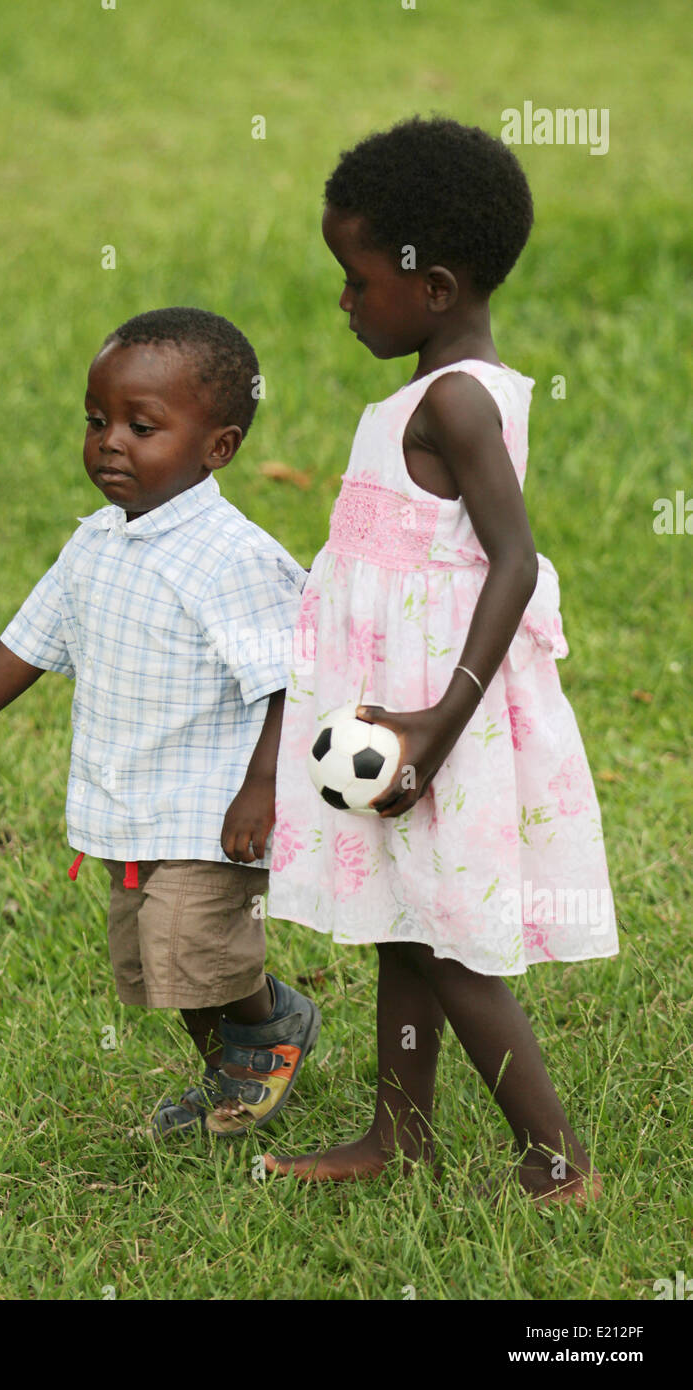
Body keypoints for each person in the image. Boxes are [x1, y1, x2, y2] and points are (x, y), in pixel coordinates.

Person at [241, 116, 618, 1202]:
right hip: (399, 710)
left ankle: (555, 1163)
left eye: (356, 282)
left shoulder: (454, 400)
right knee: (406, 929)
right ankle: (393, 1135)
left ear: (434, 285)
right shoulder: (428, 392)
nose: (344, 303)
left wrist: (430, 727)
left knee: (454, 944)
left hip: (433, 716)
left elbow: (514, 560)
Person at [0, 307, 321, 1139]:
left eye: (141, 426)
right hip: (130, 806)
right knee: (159, 967)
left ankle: (266, 1031)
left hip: (210, 810)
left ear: (218, 447)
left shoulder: (232, 559)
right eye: (97, 422)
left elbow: (290, 681)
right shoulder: (93, 542)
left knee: (191, 943)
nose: (110, 442)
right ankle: (241, 1048)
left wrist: (263, 789)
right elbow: (27, 643)